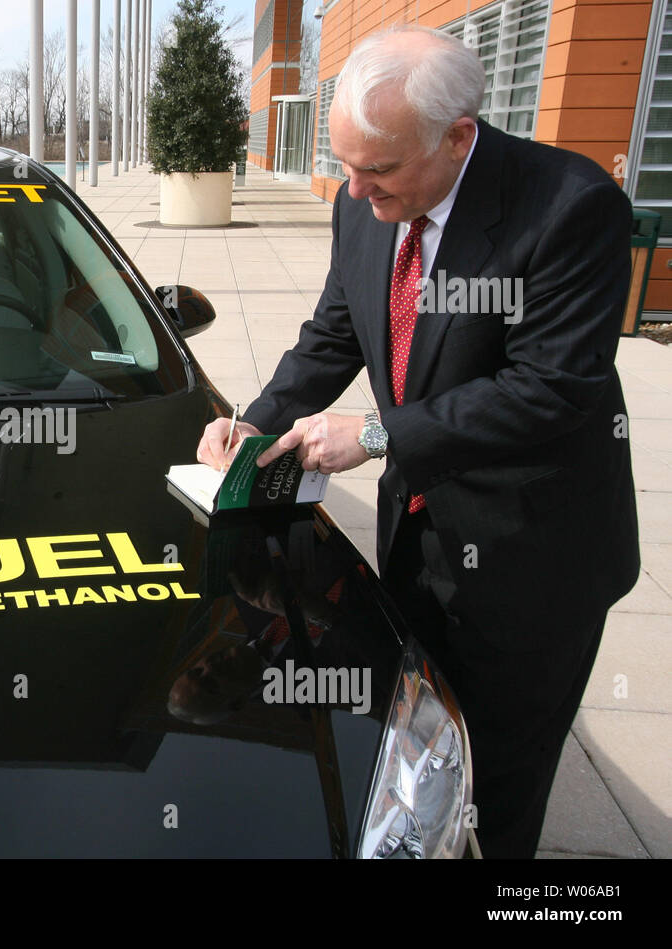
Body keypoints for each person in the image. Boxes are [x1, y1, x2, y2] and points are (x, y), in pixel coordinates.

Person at [195, 24, 640, 858]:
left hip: (532, 561)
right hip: (418, 539)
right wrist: (254, 421)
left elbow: (554, 388)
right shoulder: (360, 202)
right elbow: (333, 333)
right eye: (347, 166)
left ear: (458, 136)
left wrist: (371, 431)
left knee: (497, 785)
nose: (356, 190)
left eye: (381, 171)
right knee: (410, 757)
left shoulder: (571, 207)